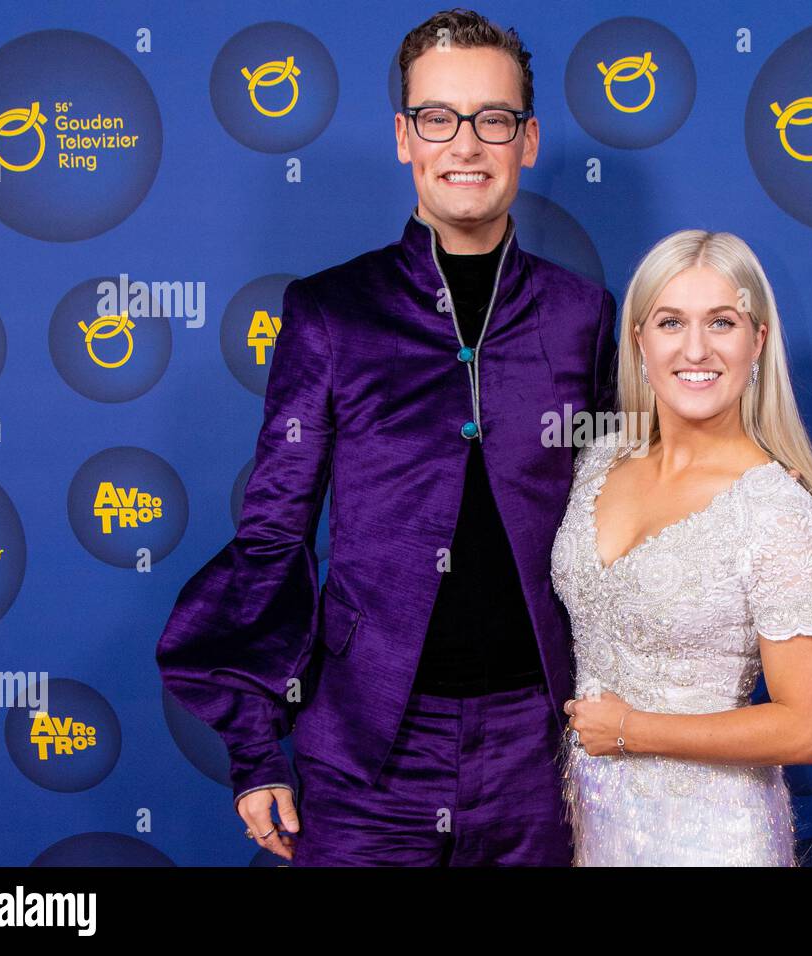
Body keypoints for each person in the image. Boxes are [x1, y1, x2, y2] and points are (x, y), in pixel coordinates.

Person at [156, 8, 617, 865]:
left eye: (494, 119)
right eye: (439, 118)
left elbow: (619, 519)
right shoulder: (332, 313)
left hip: (539, 743)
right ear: (406, 137)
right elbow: (273, 533)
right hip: (368, 747)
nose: (467, 145)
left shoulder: (582, 314)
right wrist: (257, 750)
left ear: (529, 139)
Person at [551, 229, 812, 865]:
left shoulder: (776, 510)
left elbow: (807, 729)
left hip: (712, 835)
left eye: (722, 322)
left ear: (758, 342)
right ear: (638, 341)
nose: (695, 348)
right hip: (592, 823)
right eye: (671, 322)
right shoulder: (601, 460)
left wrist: (632, 732)